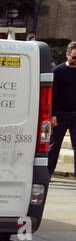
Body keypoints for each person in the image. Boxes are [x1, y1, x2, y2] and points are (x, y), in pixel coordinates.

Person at [51, 40, 76, 175]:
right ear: (67, 55)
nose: (75, 60)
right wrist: (53, 114)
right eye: (74, 57)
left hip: (75, 115)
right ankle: (48, 173)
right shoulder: (57, 72)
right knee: (54, 146)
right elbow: (52, 95)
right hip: (59, 115)